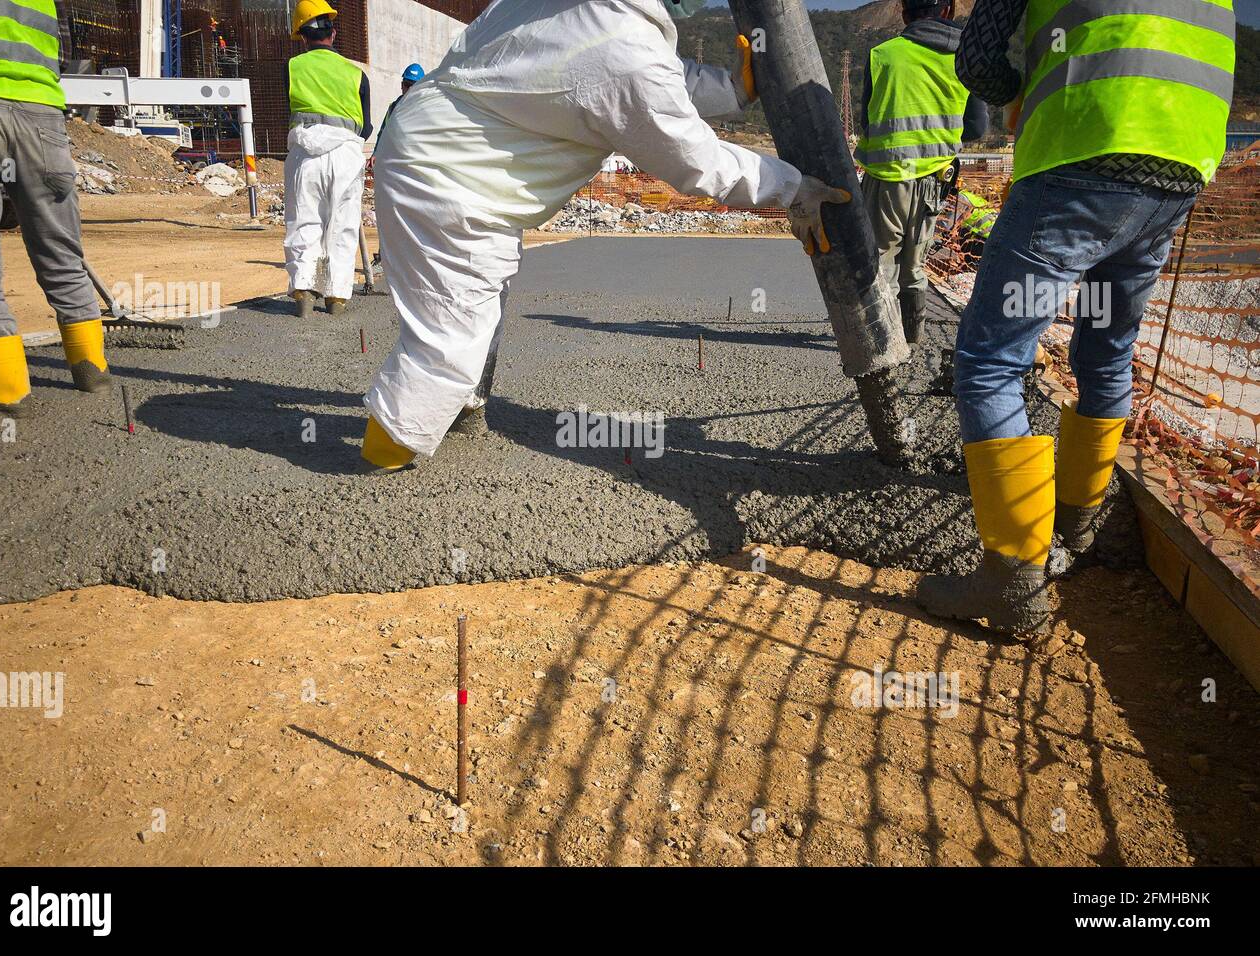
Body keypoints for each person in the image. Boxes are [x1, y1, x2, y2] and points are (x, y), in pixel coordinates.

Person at [360, 0, 835, 471]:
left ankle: (458, 408)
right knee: (451, 339)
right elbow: (696, 158)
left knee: (477, 300)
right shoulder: (625, 50)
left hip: (447, 157)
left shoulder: (585, 13)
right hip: (451, 178)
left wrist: (730, 90)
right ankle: (384, 456)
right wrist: (792, 187)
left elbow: (655, 75)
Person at [915, 0, 1235, 632]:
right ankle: (1080, 523)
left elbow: (977, 58)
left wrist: (1017, 96)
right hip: (1179, 171)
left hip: (1078, 158)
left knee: (989, 361)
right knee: (1108, 350)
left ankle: (1013, 578)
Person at [0, 0, 111, 418]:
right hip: (41, 115)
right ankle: (91, 371)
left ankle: (7, 396)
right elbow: (60, 53)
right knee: (62, 254)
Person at [856, 0, 987, 345]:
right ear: (947, 11)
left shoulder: (883, 54)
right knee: (914, 266)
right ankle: (912, 339)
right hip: (935, 182)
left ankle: (881, 342)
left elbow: (867, 121)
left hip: (888, 179)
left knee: (880, 264)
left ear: (903, 14)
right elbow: (976, 126)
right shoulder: (964, 59)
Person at [283, 0, 373, 318]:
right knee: (342, 225)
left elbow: (289, 111)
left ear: (303, 37)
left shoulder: (293, 68)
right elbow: (367, 126)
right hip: (347, 154)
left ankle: (304, 291)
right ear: (333, 33)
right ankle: (336, 297)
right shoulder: (356, 74)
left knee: (304, 221)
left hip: (305, 153)